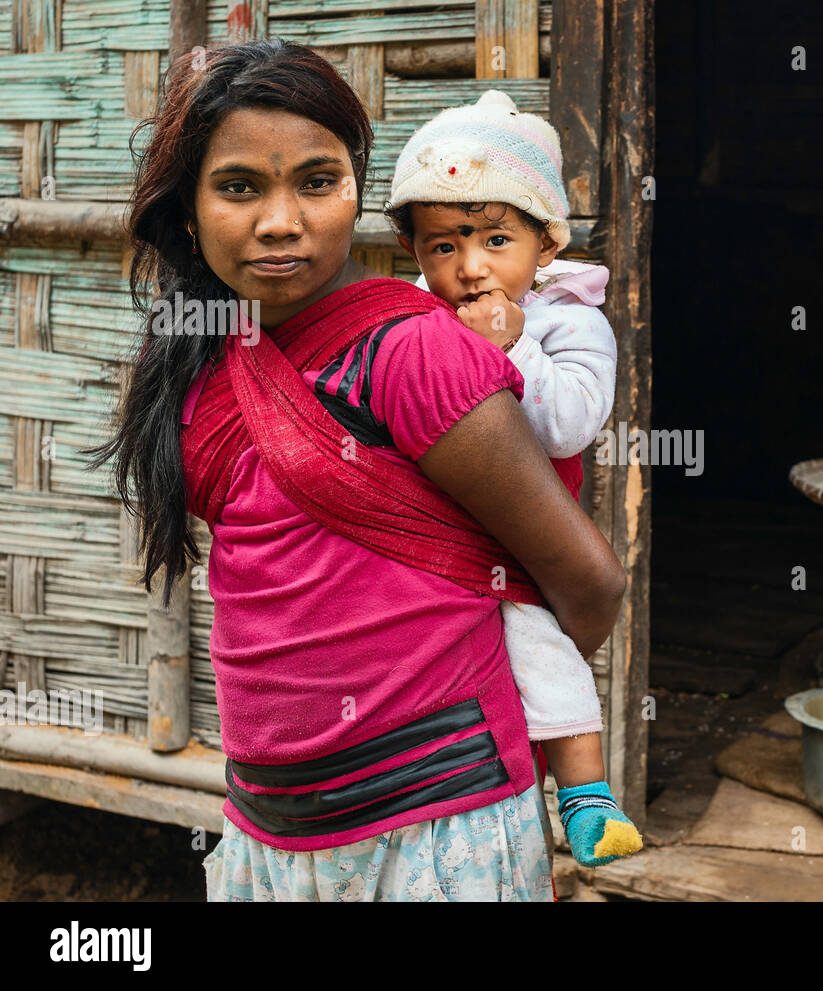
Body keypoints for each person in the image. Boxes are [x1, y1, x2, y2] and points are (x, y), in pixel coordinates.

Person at [86, 39, 625, 901]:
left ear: (356, 195)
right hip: (272, 824)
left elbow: (587, 581)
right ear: (187, 210)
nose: (280, 220)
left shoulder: (412, 351)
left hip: (440, 825)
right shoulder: (201, 372)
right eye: (238, 187)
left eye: (317, 181)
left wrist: (478, 691)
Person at [383, 90, 641, 868]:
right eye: (441, 247)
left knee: (545, 651)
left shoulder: (572, 323)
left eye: (496, 239)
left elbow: (568, 424)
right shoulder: (409, 317)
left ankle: (588, 801)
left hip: (526, 538)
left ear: (547, 242)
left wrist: (513, 345)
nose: (469, 268)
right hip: (437, 534)